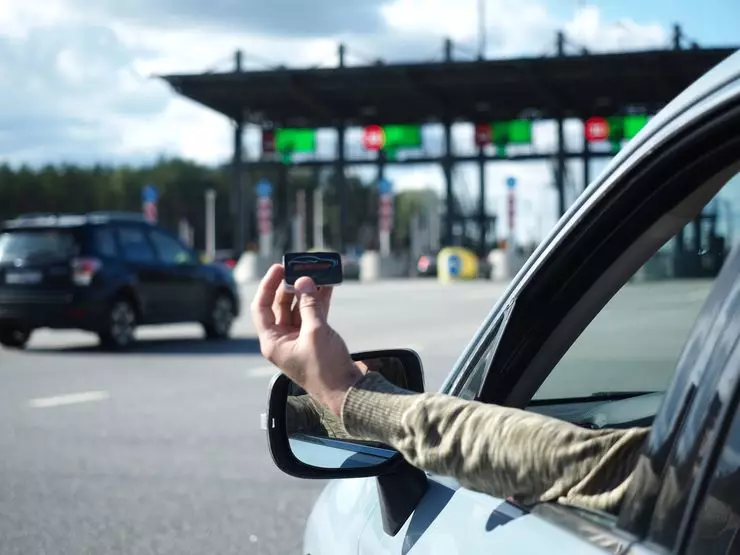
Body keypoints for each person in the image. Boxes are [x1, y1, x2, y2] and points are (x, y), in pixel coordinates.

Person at [251, 264, 651, 514]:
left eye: (378, 371)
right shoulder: (702, 469)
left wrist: (346, 391)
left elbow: (579, 463)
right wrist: (334, 394)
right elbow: (296, 414)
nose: (369, 368)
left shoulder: (694, 479)